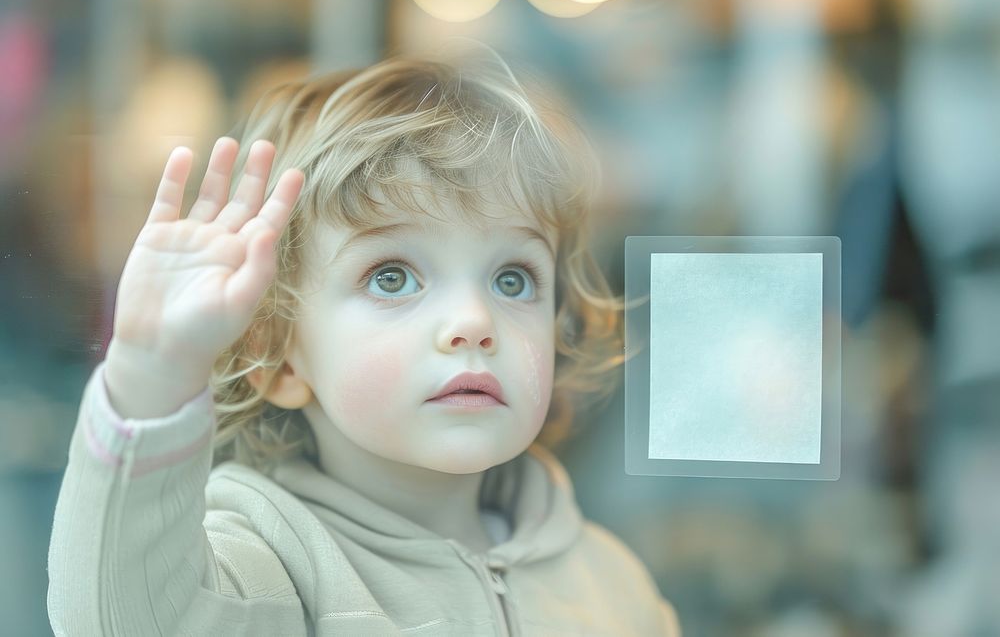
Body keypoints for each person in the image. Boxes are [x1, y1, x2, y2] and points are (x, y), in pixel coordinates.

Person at [46, 44, 682, 636]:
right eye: (392, 277)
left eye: (512, 279)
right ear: (277, 358)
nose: (474, 321)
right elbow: (126, 616)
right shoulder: (261, 566)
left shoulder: (611, 584)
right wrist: (153, 371)